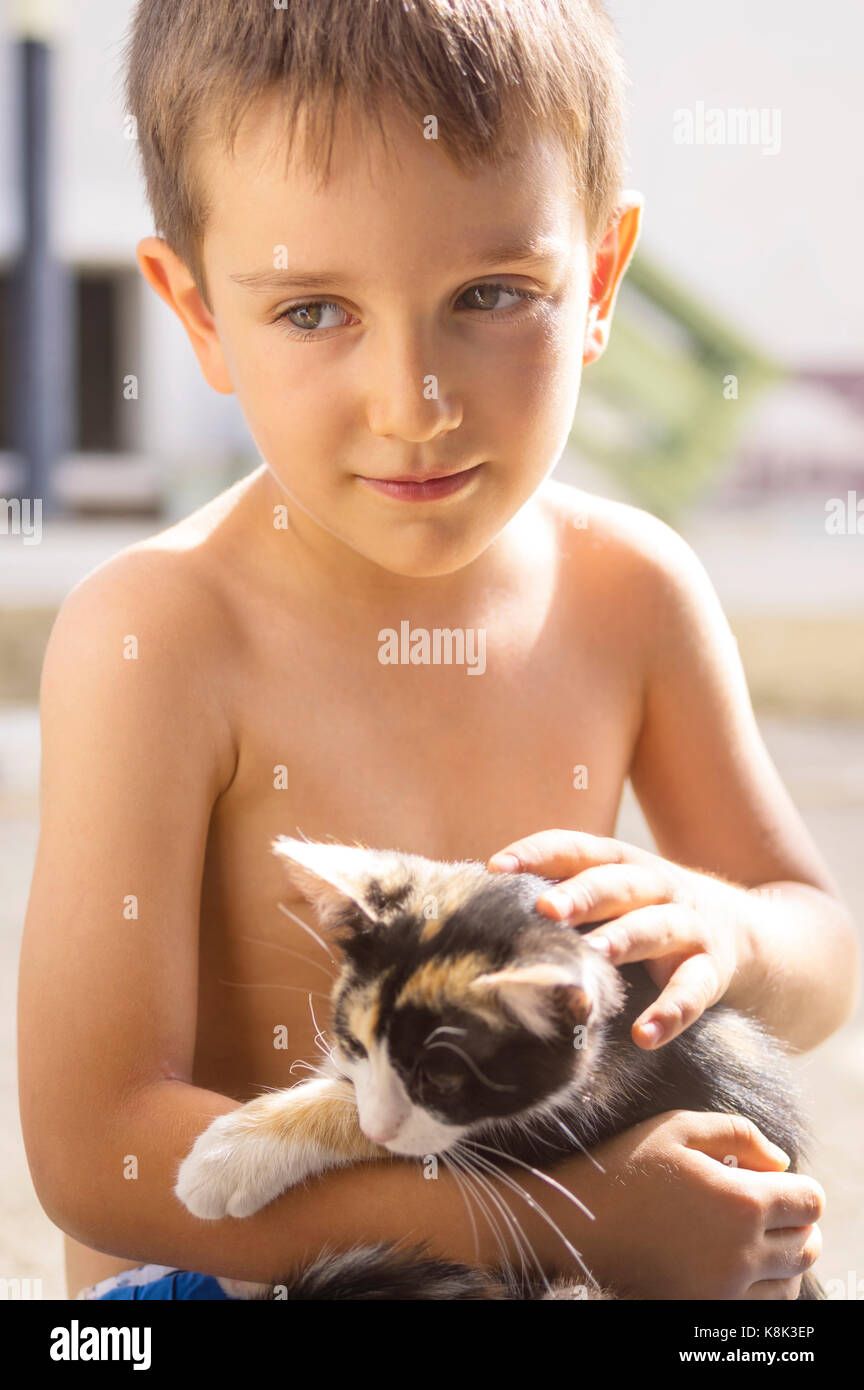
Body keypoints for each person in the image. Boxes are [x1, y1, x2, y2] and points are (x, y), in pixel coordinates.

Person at [18, 0, 856, 1301]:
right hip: (233, 1282)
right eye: (312, 313)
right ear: (196, 312)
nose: (415, 400)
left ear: (600, 281)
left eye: (490, 294)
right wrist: (583, 1219)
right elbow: (96, 1153)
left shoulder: (631, 590)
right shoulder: (160, 631)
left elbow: (816, 957)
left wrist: (729, 931)